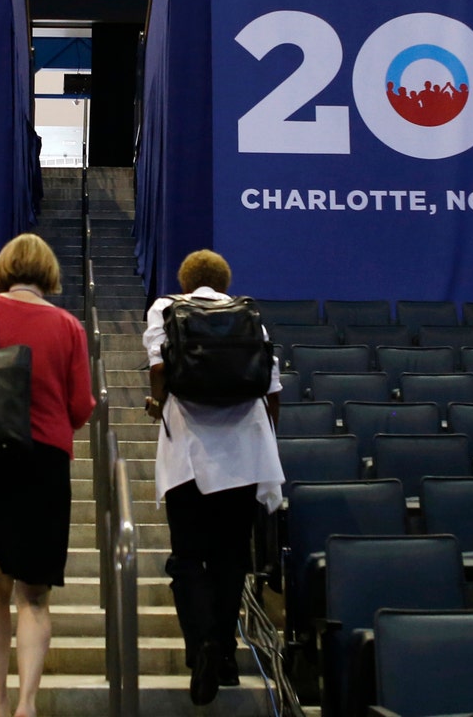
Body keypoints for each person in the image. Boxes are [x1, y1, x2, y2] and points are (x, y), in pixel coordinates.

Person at [0, 233, 94, 717]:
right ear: (49, 272)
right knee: (35, 595)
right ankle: (28, 704)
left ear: (5, 268)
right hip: (43, 463)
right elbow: (80, 408)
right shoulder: (69, 326)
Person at [143, 249, 283, 704]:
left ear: (185, 281)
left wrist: (157, 404)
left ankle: (200, 642)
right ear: (225, 281)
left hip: (189, 453)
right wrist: (265, 439)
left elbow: (159, 367)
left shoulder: (167, 308)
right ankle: (224, 654)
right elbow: (271, 388)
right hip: (244, 452)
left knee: (187, 558)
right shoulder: (247, 313)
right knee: (231, 558)